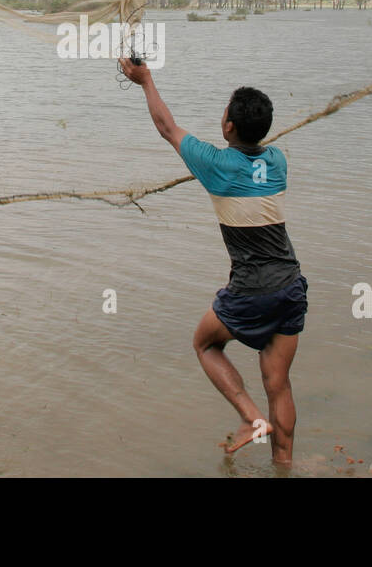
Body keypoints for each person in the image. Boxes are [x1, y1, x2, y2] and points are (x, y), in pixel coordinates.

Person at [119, 57, 306, 467]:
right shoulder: (277, 161)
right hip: (292, 286)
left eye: (224, 113)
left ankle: (251, 418)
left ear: (227, 128)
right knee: (279, 384)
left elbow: (167, 127)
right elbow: (251, 156)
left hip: (253, 289)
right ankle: (284, 466)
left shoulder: (216, 165)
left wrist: (145, 80)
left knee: (205, 343)